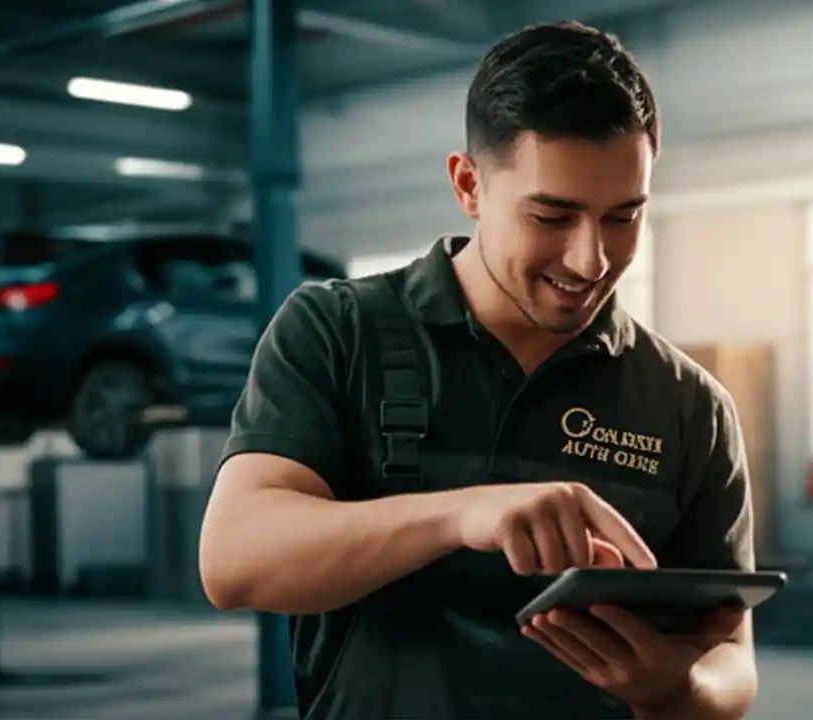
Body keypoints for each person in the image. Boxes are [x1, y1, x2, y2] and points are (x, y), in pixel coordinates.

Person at [198, 20, 758, 720]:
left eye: (623, 217)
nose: (592, 260)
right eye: (552, 216)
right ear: (468, 185)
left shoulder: (688, 406)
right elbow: (234, 561)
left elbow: (732, 659)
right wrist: (462, 513)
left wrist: (678, 690)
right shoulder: (337, 332)